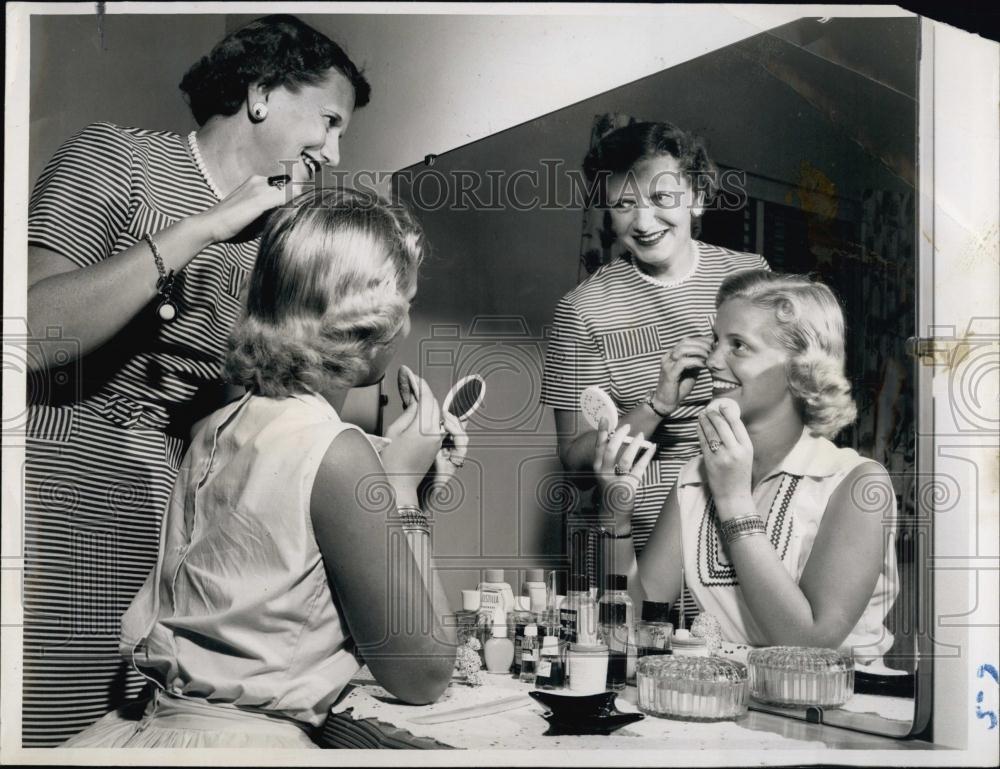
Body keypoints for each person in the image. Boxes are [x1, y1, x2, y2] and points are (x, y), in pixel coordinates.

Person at [23, 15, 370, 745]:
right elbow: (33, 333)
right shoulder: (112, 158)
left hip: (173, 513)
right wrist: (207, 226)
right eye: (330, 120)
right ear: (263, 92)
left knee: (136, 733)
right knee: (45, 724)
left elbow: (281, 415)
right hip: (54, 483)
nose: (335, 150)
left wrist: (394, 446)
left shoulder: (279, 238)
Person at [61, 187, 462, 748]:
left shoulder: (214, 430)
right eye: (408, 304)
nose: (408, 325)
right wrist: (398, 489)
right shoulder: (339, 453)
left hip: (154, 732)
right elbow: (423, 674)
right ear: (374, 324)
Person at [595, 271, 899, 662]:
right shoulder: (695, 478)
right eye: (716, 341)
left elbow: (808, 646)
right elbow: (636, 622)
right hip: (734, 704)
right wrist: (616, 519)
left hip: (845, 712)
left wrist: (734, 499)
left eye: (739, 346)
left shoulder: (855, 483)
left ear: (800, 366)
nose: (713, 361)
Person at [539, 121, 769, 590]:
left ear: (697, 197)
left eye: (662, 199)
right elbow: (575, 456)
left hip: (748, 530)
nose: (643, 223)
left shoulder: (751, 277)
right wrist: (656, 405)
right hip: (636, 544)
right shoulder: (581, 310)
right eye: (624, 205)